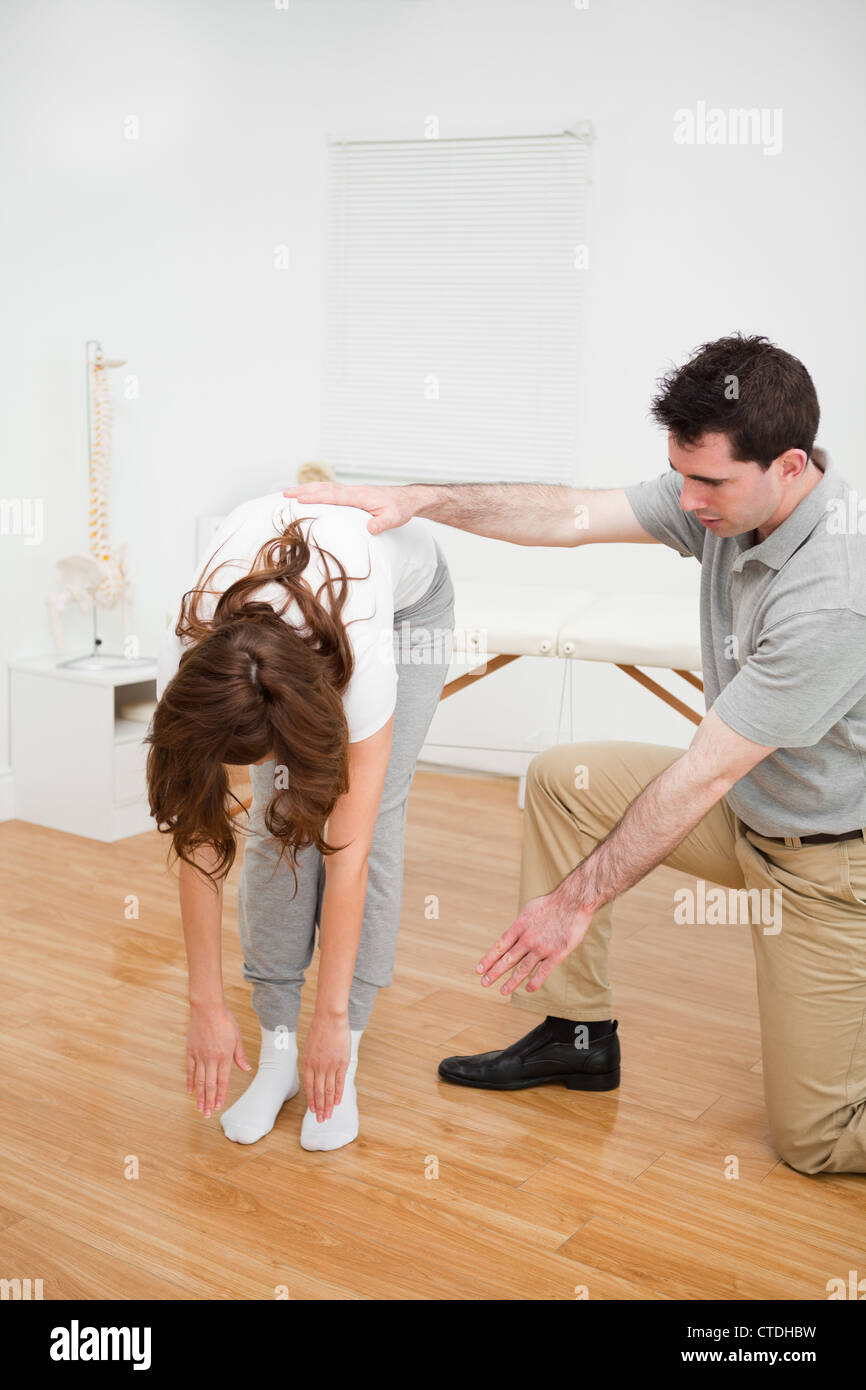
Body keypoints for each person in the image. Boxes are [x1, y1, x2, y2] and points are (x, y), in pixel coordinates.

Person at [282, 333, 866, 1176]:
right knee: (566, 781)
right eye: (683, 475)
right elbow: (570, 515)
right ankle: (577, 1037)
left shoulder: (833, 598)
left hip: (827, 861)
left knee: (816, 1139)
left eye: (708, 482)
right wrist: (424, 497)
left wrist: (572, 902)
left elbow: (706, 771)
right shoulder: (728, 499)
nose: (688, 498)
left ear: (789, 466)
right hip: (753, 813)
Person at [147, 489, 454, 1152]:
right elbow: (198, 832)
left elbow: (347, 855)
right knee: (278, 820)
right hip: (287, 627)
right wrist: (205, 1001)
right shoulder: (197, 652)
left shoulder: (361, 667)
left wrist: (333, 1017)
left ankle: (338, 1062)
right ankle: (279, 1050)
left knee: (371, 821)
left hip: (406, 614)